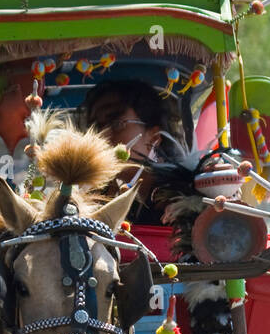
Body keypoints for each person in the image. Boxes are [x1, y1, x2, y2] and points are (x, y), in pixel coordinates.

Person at [81, 76, 191, 226]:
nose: (102, 136)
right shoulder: (86, 201)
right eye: (97, 128)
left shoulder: (186, 194)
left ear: (154, 137)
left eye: (116, 124)